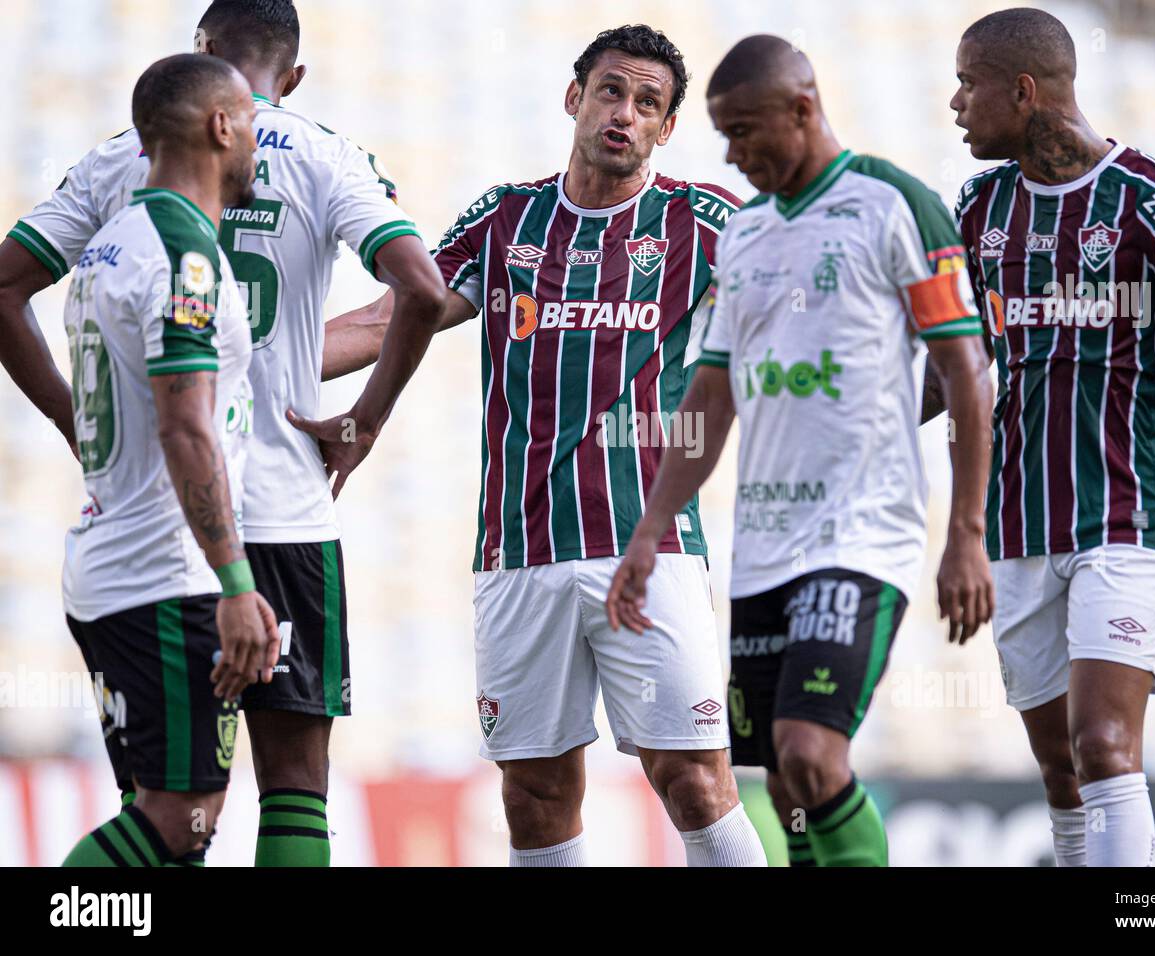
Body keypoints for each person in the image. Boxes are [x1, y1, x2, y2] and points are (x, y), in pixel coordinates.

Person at [292, 24, 766, 866]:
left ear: (665, 128)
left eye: (647, 103)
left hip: (647, 551)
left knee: (694, 779)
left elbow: (801, 294)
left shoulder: (703, 221)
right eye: (611, 91)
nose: (624, 113)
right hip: (518, 553)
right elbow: (390, 317)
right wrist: (249, 370)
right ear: (574, 98)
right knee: (537, 797)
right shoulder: (507, 217)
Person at [0, 0, 446, 866]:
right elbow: (419, 294)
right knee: (289, 786)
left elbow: (6, 285)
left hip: (151, 522)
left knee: (171, 803)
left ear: (198, 53)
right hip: (274, 509)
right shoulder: (326, 155)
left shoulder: (124, 162)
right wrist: (361, 421)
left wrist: (71, 416)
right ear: (290, 78)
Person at [604, 34, 994, 868]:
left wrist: (966, 531)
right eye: (723, 136)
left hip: (861, 535)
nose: (734, 154)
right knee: (783, 785)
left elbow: (965, 368)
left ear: (803, 109)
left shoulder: (893, 204)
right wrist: (650, 530)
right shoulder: (741, 237)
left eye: (746, 131)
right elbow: (710, 393)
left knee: (812, 755)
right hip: (763, 550)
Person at [943, 6, 1155, 866]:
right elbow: (957, 366)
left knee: (1103, 744)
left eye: (968, 83)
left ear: (1022, 92)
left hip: (1132, 511)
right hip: (1020, 518)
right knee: (1060, 766)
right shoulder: (980, 207)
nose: (954, 103)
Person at [60, 53, 279, 866]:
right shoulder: (184, 253)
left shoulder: (111, 243)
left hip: (113, 563)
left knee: (168, 822)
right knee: (183, 811)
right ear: (222, 126)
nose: (257, 142)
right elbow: (187, 427)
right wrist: (236, 582)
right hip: (163, 575)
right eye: (252, 123)